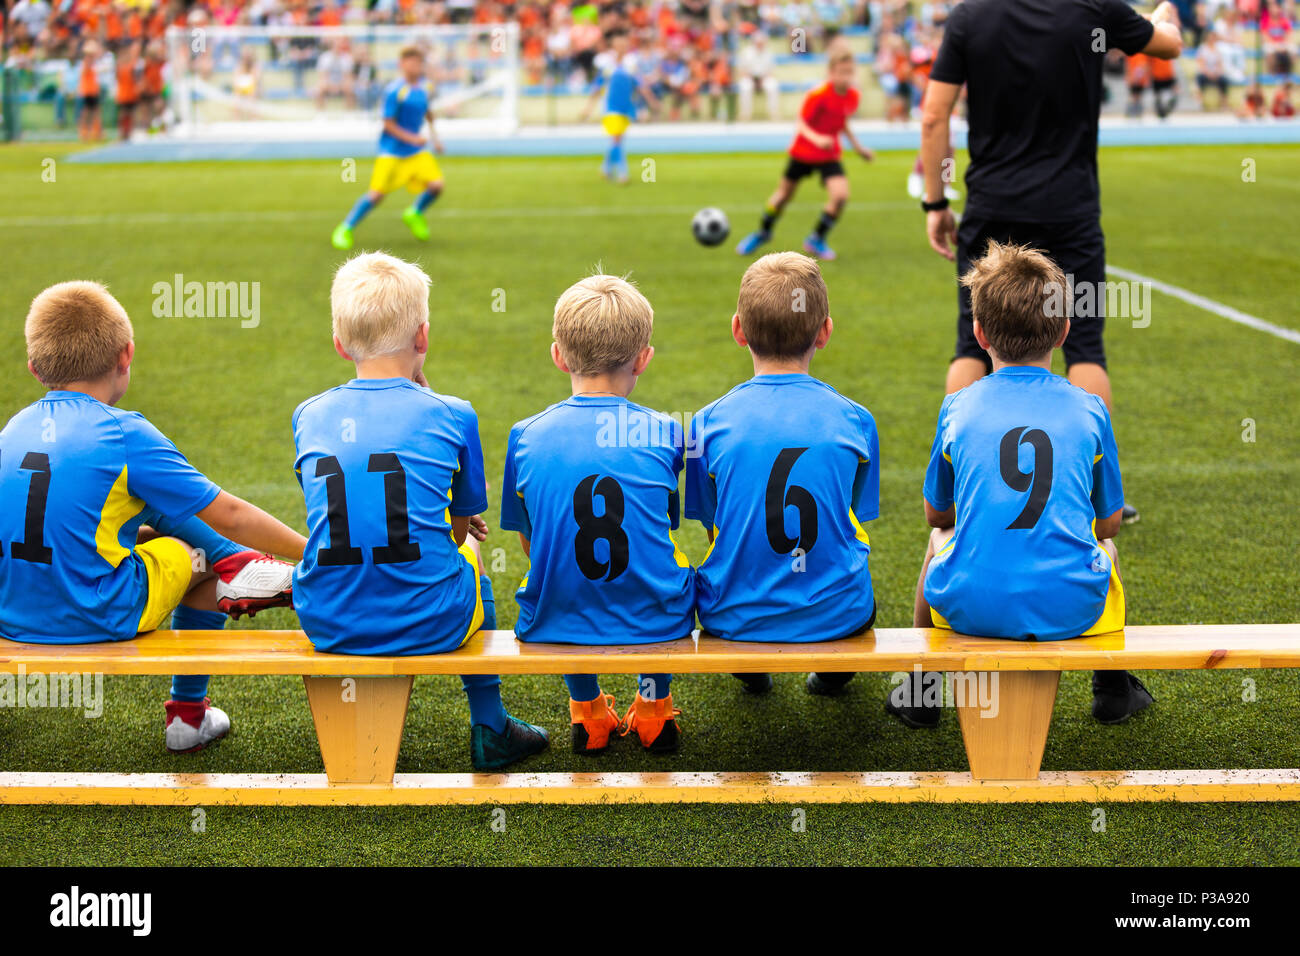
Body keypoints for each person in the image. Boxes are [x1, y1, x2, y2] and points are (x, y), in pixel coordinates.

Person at [1, 281, 305, 753]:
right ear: (127, 355)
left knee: (142, 503)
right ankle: (188, 714)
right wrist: (316, 553)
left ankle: (236, 561)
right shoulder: (124, 432)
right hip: (92, 612)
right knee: (195, 555)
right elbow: (229, 512)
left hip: (12, 612)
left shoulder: (12, 429)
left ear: (35, 369)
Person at [920, 0, 1183, 526]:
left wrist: (935, 201)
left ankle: (956, 494)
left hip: (992, 208)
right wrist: (1166, 16)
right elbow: (1168, 45)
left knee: (970, 342)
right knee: (1084, 344)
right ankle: (1092, 496)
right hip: (1071, 213)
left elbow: (933, 115)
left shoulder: (970, 17)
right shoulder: (1093, 8)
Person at [291, 253, 548, 771]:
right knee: (473, 552)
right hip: (432, 620)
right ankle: (490, 723)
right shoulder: (454, 413)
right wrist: (460, 525)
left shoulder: (309, 414)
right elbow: (457, 528)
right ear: (423, 338)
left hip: (328, 619)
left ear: (340, 344)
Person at [890, 241, 1150, 728]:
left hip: (969, 605)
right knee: (1107, 550)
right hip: (1073, 606)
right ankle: (1112, 687)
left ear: (979, 332)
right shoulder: (1090, 407)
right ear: (1065, 330)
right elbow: (1111, 522)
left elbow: (935, 514)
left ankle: (920, 692)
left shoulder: (958, 407)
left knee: (937, 541)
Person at [500, 275, 695, 755]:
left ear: (559, 356)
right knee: (674, 557)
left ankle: (588, 713)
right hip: (655, 620)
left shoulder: (525, 435)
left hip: (555, 616)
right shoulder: (668, 431)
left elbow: (531, 541)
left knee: (553, 561)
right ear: (644, 359)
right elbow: (663, 528)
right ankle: (653, 710)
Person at [686, 252, 880, 696]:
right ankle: (832, 674)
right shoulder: (856, 418)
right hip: (839, 612)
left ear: (738, 329)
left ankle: (750, 668)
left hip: (733, 613)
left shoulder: (705, 422)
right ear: (825, 332)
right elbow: (851, 513)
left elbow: (712, 522)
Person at [735, 39, 874, 262]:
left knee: (840, 196)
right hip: (804, 151)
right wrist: (817, 138)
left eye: (850, 72)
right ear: (830, 72)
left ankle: (816, 238)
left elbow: (843, 121)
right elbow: (801, 123)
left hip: (829, 154)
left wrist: (859, 148)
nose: (846, 77)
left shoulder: (853, 96)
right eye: (841, 72)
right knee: (783, 196)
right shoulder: (818, 94)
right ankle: (763, 232)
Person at [331, 47, 445, 251]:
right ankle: (345, 228)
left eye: (418, 62)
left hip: (416, 152)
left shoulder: (426, 87)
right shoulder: (395, 90)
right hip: (392, 151)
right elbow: (388, 124)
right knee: (376, 195)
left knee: (436, 185)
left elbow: (427, 112)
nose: (415, 66)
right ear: (401, 65)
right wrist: (412, 137)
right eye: (410, 62)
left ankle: (415, 212)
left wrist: (435, 138)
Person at [578, 30, 658, 184]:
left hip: (626, 108)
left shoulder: (631, 65)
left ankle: (605, 168)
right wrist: (588, 108)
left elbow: (640, 84)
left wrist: (652, 100)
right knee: (616, 140)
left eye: (624, 44)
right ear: (613, 46)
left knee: (617, 141)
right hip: (611, 108)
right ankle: (623, 173)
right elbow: (597, 87)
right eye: (618, 44)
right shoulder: (607, 65)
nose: (622, 46)